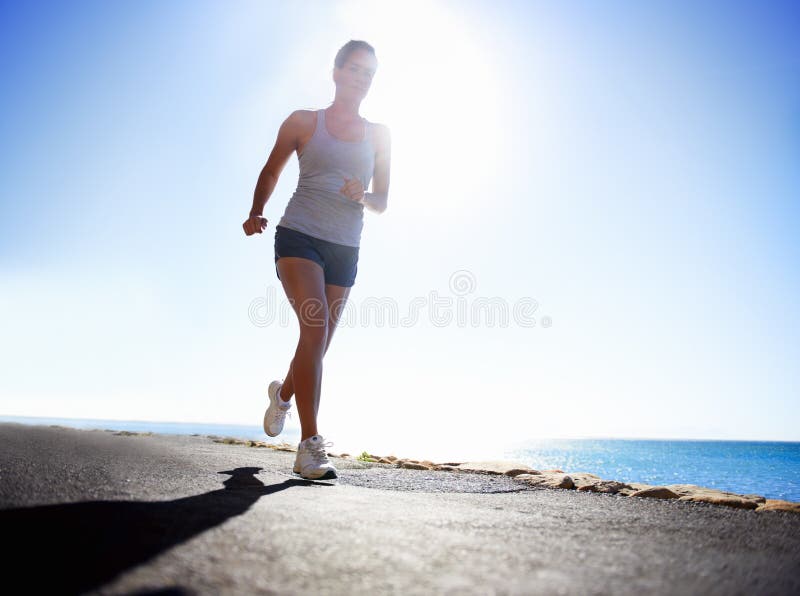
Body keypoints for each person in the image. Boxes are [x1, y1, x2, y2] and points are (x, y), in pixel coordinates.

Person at [242, 40, 391, 480]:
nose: (362, 79)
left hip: (345, 248)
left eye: (370, 73)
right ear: (337, 72)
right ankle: (310, 446)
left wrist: (360, 195)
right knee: (314, 328)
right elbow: (272, 169)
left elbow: (382, 200)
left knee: (318, 343)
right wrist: (256, 211)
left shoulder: (380, 134)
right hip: (299, 236)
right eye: (356, 69)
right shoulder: (304, 121)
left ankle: (283, 394)